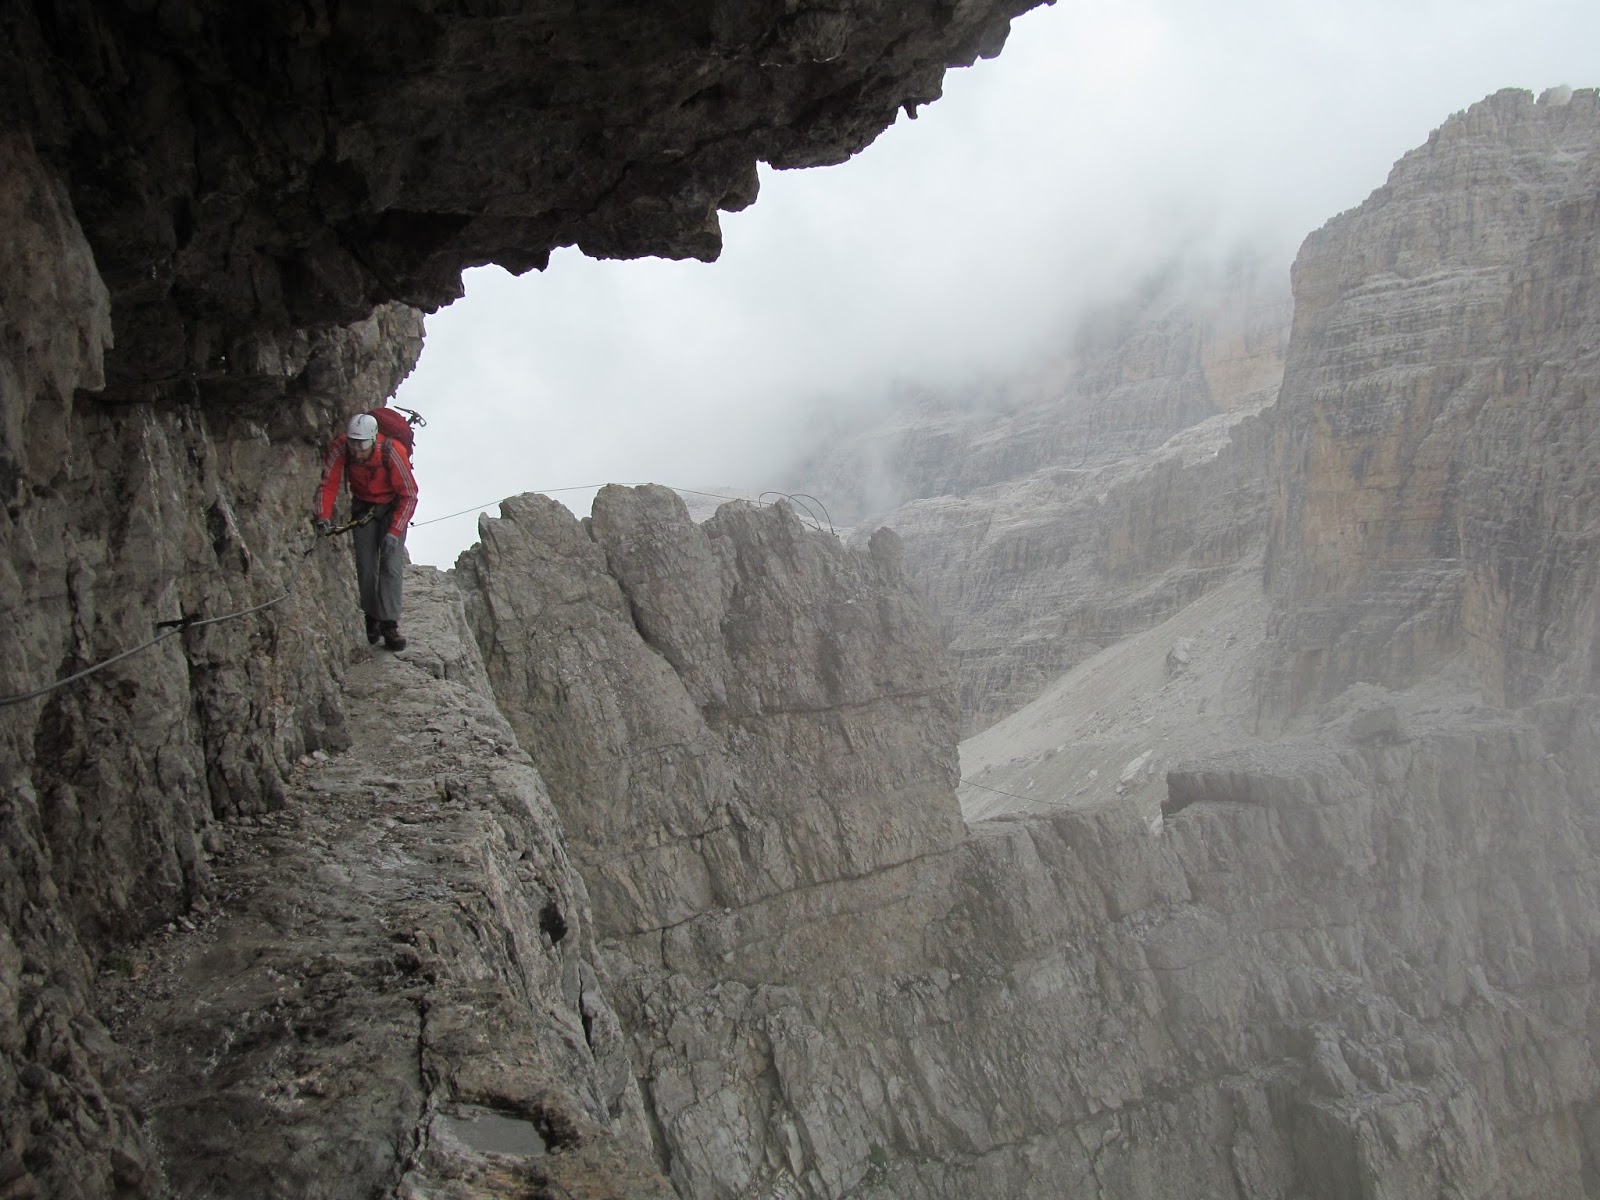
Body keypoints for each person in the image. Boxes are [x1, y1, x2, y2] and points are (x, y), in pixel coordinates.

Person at [313, 412, 419, 651]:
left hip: (392, 507)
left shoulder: (392, 452)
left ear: (373, 439)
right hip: (364, 508)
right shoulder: (342, 448)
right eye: (353, 443)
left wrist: (394, 531)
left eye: (361, 445)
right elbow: (328, 481)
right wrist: (323, 516)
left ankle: (389, 625)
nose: (357, 451)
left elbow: (409, 495)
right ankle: (371, 618)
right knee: (365, 564)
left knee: (390, 565)